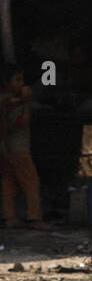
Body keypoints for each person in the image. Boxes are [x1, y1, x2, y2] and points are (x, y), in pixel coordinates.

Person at [1, 65, 43, 229]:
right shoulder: (10, 103)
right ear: (7, 83)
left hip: (5, 150)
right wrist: (26, 104)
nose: (22, 84)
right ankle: (34, 217)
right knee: (31, 182)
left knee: (9, 183)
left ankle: (9, 217)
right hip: (18, 149)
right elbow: (22, 122)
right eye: (17, 80)